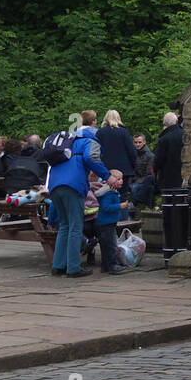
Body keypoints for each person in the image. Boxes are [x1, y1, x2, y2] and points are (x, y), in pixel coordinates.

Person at [47, 113, 110, 278]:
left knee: (65, 225)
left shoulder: (70, 143)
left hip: (54, 186)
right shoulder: (89, 142)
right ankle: (74, 268)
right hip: (73, 186)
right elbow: (91, 159)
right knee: (75, 226)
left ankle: (58, 265)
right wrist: (108, 176)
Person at [90, 170, 128, 274]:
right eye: (118, 179)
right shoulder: (109, 193)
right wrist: (120, 206)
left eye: (122, 179)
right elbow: (106, 207)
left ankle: (105, 266)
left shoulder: (112, 191)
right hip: (106, 223)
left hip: (107, 222)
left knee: (106, 245)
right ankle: (112, 265)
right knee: (110, 245)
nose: (121, 181)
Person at [96, 110, 137, 202]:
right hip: (124, 170)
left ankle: (107, 214)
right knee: (122, 196)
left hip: (106, 170)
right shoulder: (124, 132)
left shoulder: (100, 133)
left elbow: (96, 152)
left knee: (105, 195)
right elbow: (131, 151)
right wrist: (134, 166)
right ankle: (122, 215)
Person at [153, 112, 184, 191]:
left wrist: (155, 168)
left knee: (169, 200)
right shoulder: (184, 134)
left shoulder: (164, 138)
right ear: (177, 121)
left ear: (164, 124)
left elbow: (159, 159)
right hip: (182, 173)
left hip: (167, 176)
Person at [130, 132, 155, 206]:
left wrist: (135, 183)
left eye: (139, 142)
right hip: (134, 180)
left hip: (144, 181)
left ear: (144, 142)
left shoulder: (150, 156)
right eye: (135, 142)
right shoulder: (132, 154)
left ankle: (134, 208)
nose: (137, 144)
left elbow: (148, 174)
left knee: (134, 188)